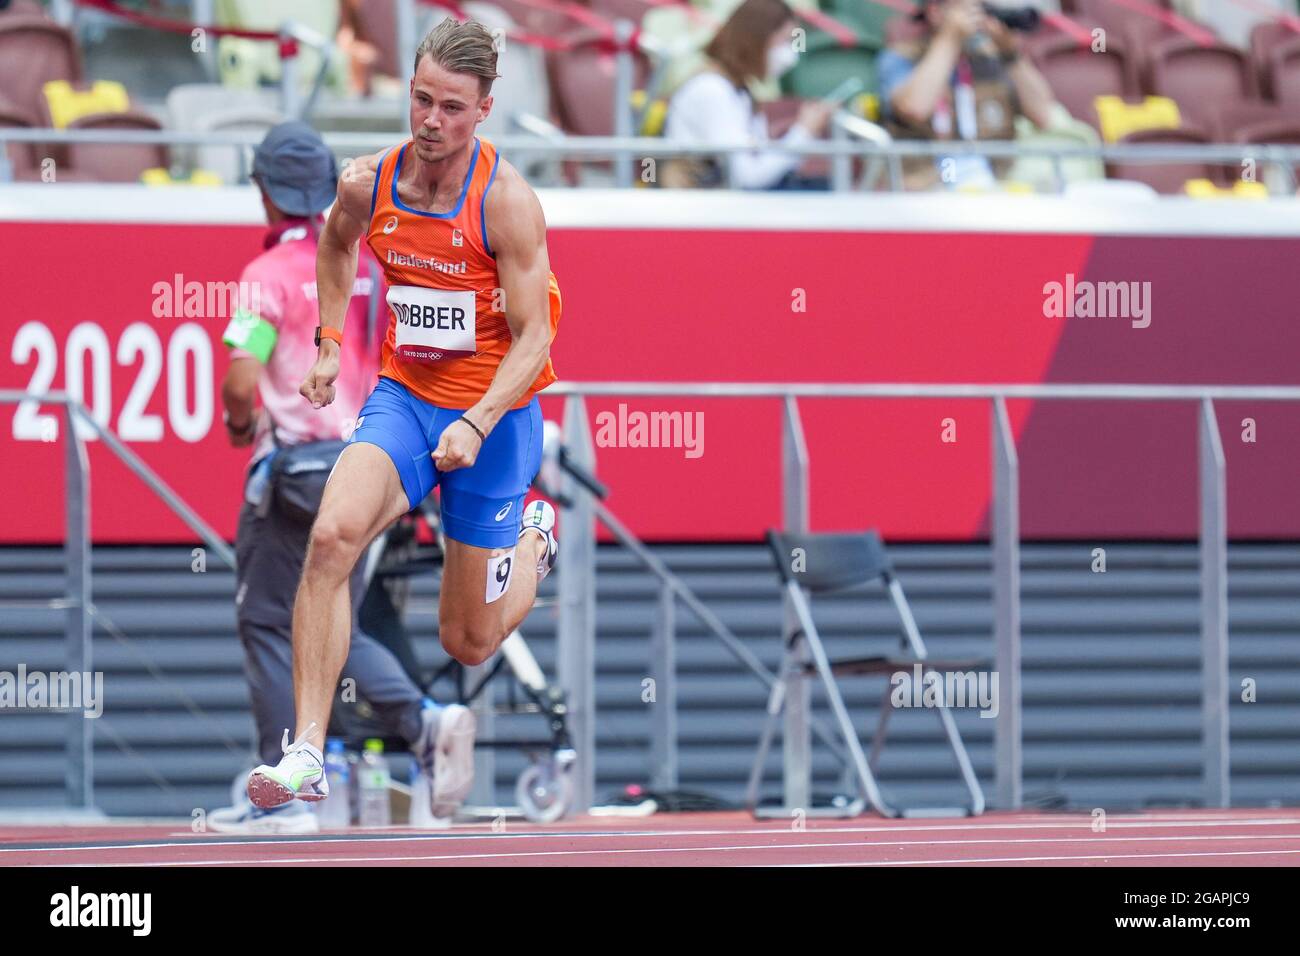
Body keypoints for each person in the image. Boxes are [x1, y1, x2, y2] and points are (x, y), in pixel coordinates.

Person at [246, 19, 563, 810]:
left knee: (470, 638)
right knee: (330, 537)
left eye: (452, 107)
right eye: (421, 100)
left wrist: (480, 419)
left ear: (484, 109)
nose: (431, 121)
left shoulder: (508, 203)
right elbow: (335, 244)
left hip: (494, 419)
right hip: (407, 399)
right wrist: (326, 343)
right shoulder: (367, 181)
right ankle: (307, 754)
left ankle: (535, 537)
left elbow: (536, 338)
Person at [213, 121, 475, 832]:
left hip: (294, 471)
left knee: (269, 618)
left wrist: (241, 425)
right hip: (367, 464)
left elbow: (242, 381)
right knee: (334, 619)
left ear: (265, 194)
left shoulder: (267, 277)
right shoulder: (363, 266)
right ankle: (427, 722)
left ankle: (290, 782)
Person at [878, 0, 1058, 189]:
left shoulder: (992, 59)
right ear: (935, 12)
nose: (978, 16)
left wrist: (1010, 55)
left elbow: (1043, 116)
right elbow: (914, 108)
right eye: (969, 9)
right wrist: (950, 38)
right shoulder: (901, 57)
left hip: (995, 185)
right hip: (926, 188)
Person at [663, 0, 834, 190]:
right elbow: (748, 177)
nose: (790, 55)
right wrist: (803, 132)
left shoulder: (739, 89)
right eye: (785, 41)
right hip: (705, 211)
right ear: (756, 39)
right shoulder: (712, 90)